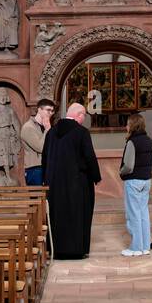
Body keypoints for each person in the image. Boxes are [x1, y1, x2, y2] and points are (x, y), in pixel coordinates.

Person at [41, 101, 101, 259]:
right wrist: (96, 176)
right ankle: (76, 250)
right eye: (84, 116)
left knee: (57, 215)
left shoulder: (52, 133)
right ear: (79, 115)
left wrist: (45, 179)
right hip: (77, 184)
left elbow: (45, 158)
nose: (84, 119)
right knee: (76, 214)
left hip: (54, 184)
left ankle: (57, 249)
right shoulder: (81, 133)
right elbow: (89, 157)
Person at [120, 114, 152, 257]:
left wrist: (121, 172)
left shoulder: (132, 142)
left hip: (133, 181)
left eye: (128, 124)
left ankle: (136, 248)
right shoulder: (149, 141)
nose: (126, 127)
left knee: (134, 214)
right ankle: (145, 246)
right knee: (143, 214)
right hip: (146, 181)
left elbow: (128, 165)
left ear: (133, 125)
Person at [21, 98, 54, 186]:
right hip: (35, 168)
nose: (50, 113)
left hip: (47, 167)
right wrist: (47, 130)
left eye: (52, 111)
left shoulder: (46, 126)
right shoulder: (28, 127)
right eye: (48, 110)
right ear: (39, 110)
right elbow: (40, 148)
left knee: (47, 198)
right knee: (36, 197)